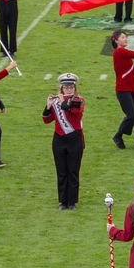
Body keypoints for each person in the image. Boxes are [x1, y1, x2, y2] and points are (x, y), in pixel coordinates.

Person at [43, 73, 85, 210]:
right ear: (61, 88)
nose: (68, 89)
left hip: (75, 139)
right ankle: (63, 201)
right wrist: (48, 106)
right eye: (66, 87)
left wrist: (62, 101)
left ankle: (72, 202)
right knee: (61, 171)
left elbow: (75, 113)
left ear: (74, 87)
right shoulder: (56, 101)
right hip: (59, 140)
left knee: (73, 171)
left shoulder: (78, 100)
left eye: (71, 87)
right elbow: (46, 120)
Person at [111, 31, 134, 150]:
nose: (125, 39)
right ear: (116, 40)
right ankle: (118, 136)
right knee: (131, 115)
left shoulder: (125, 54)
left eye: (125, 37)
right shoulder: (119, 51)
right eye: (122, 37)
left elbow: (133, 71)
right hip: (123, 90)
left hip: (133, 89)